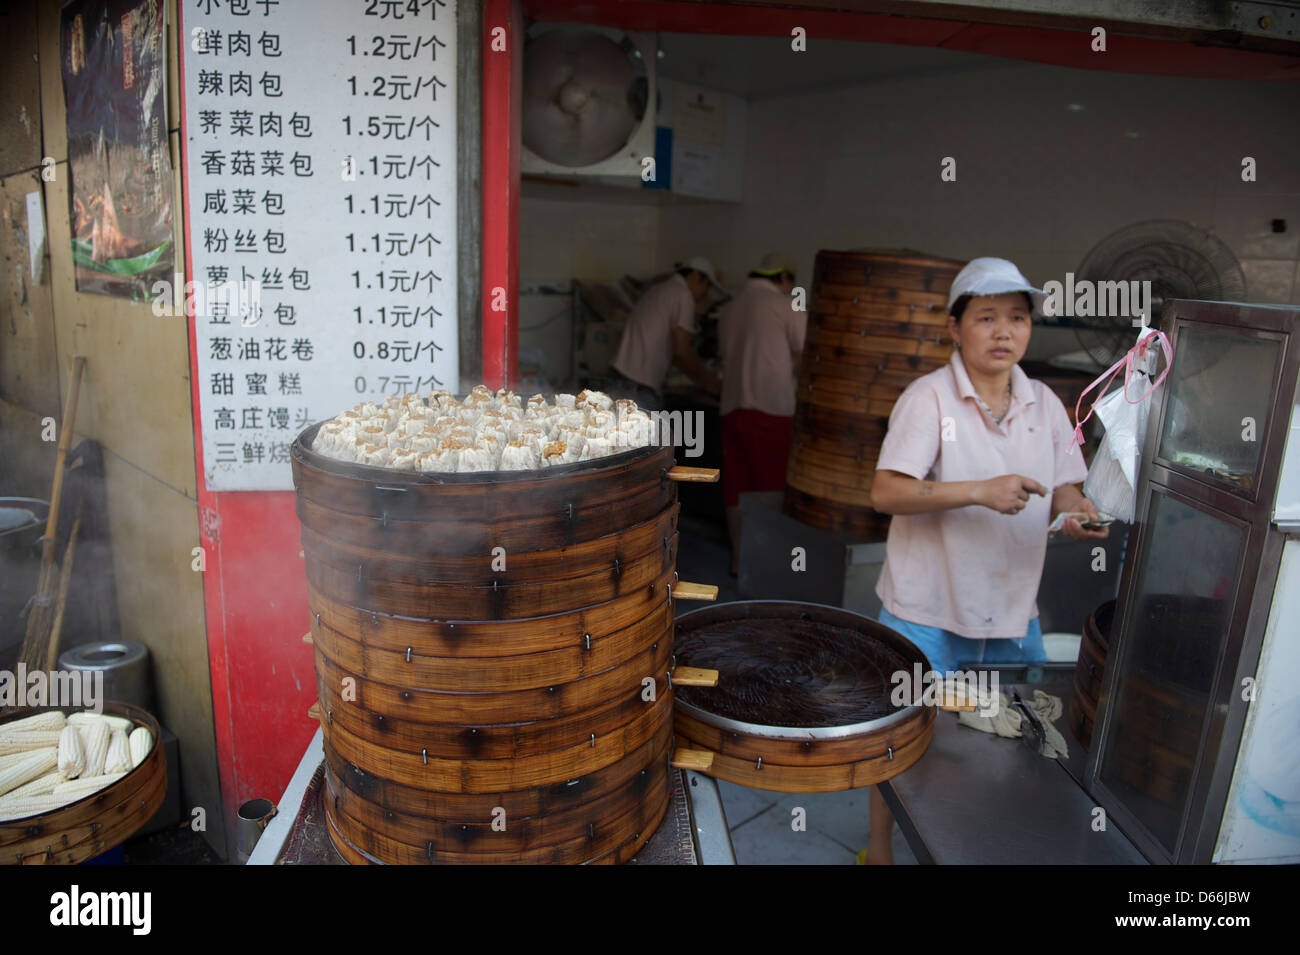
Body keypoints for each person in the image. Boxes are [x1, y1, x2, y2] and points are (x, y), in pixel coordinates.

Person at [861, 257, 1110, 865]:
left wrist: (1079, 512)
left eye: (1017, 318)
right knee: (902, 738)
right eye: (987, 317)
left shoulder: (1045, 403)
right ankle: (879, 849)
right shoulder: (928, 399)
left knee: (1008, 744)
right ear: (955, 328)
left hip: (1007, 610)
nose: (1004, 332)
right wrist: (978, 489)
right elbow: (886, 491)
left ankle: (970, 847)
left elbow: (1066, 487)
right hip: (928, 608)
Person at [716, 253, 805, 575]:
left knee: (737, 488)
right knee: (769, 486)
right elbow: (804, 354)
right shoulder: (787, 306)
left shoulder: (729, 309)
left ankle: (740, 559)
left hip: (732, 408)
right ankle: (768, 565)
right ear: (783, 277)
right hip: (773, 409)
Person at [607, 256, 723, 408]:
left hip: (620, 377)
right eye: (706, 287)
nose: (703, 295)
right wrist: (710, 382)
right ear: (695, 275)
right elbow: (682, 351)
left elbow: (675, 353)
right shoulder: (683, 295)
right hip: (637, 386)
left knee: (619, 430)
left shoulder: (660, 289)